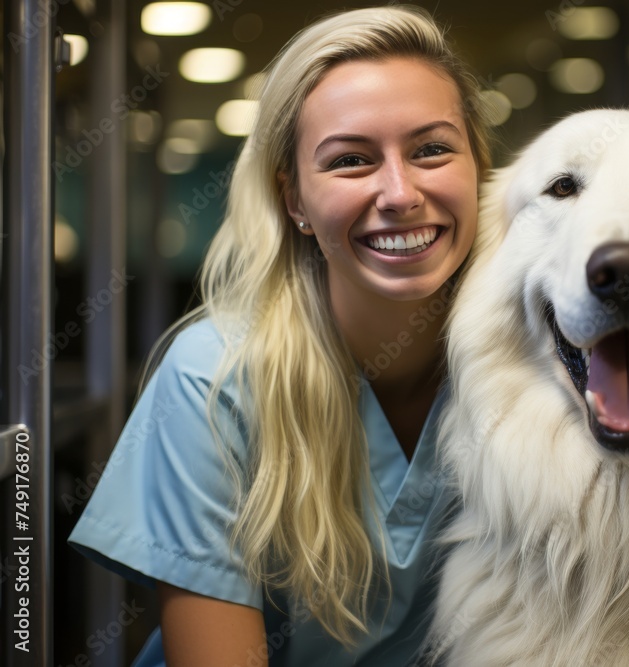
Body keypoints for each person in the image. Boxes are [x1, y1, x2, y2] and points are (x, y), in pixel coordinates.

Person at [68, 5, 492, 664]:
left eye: (432, 148)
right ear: (293, 200)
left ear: (478, 167)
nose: (400, 192)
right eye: (351, 159)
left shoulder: (545, 362)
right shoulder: (213, 381)